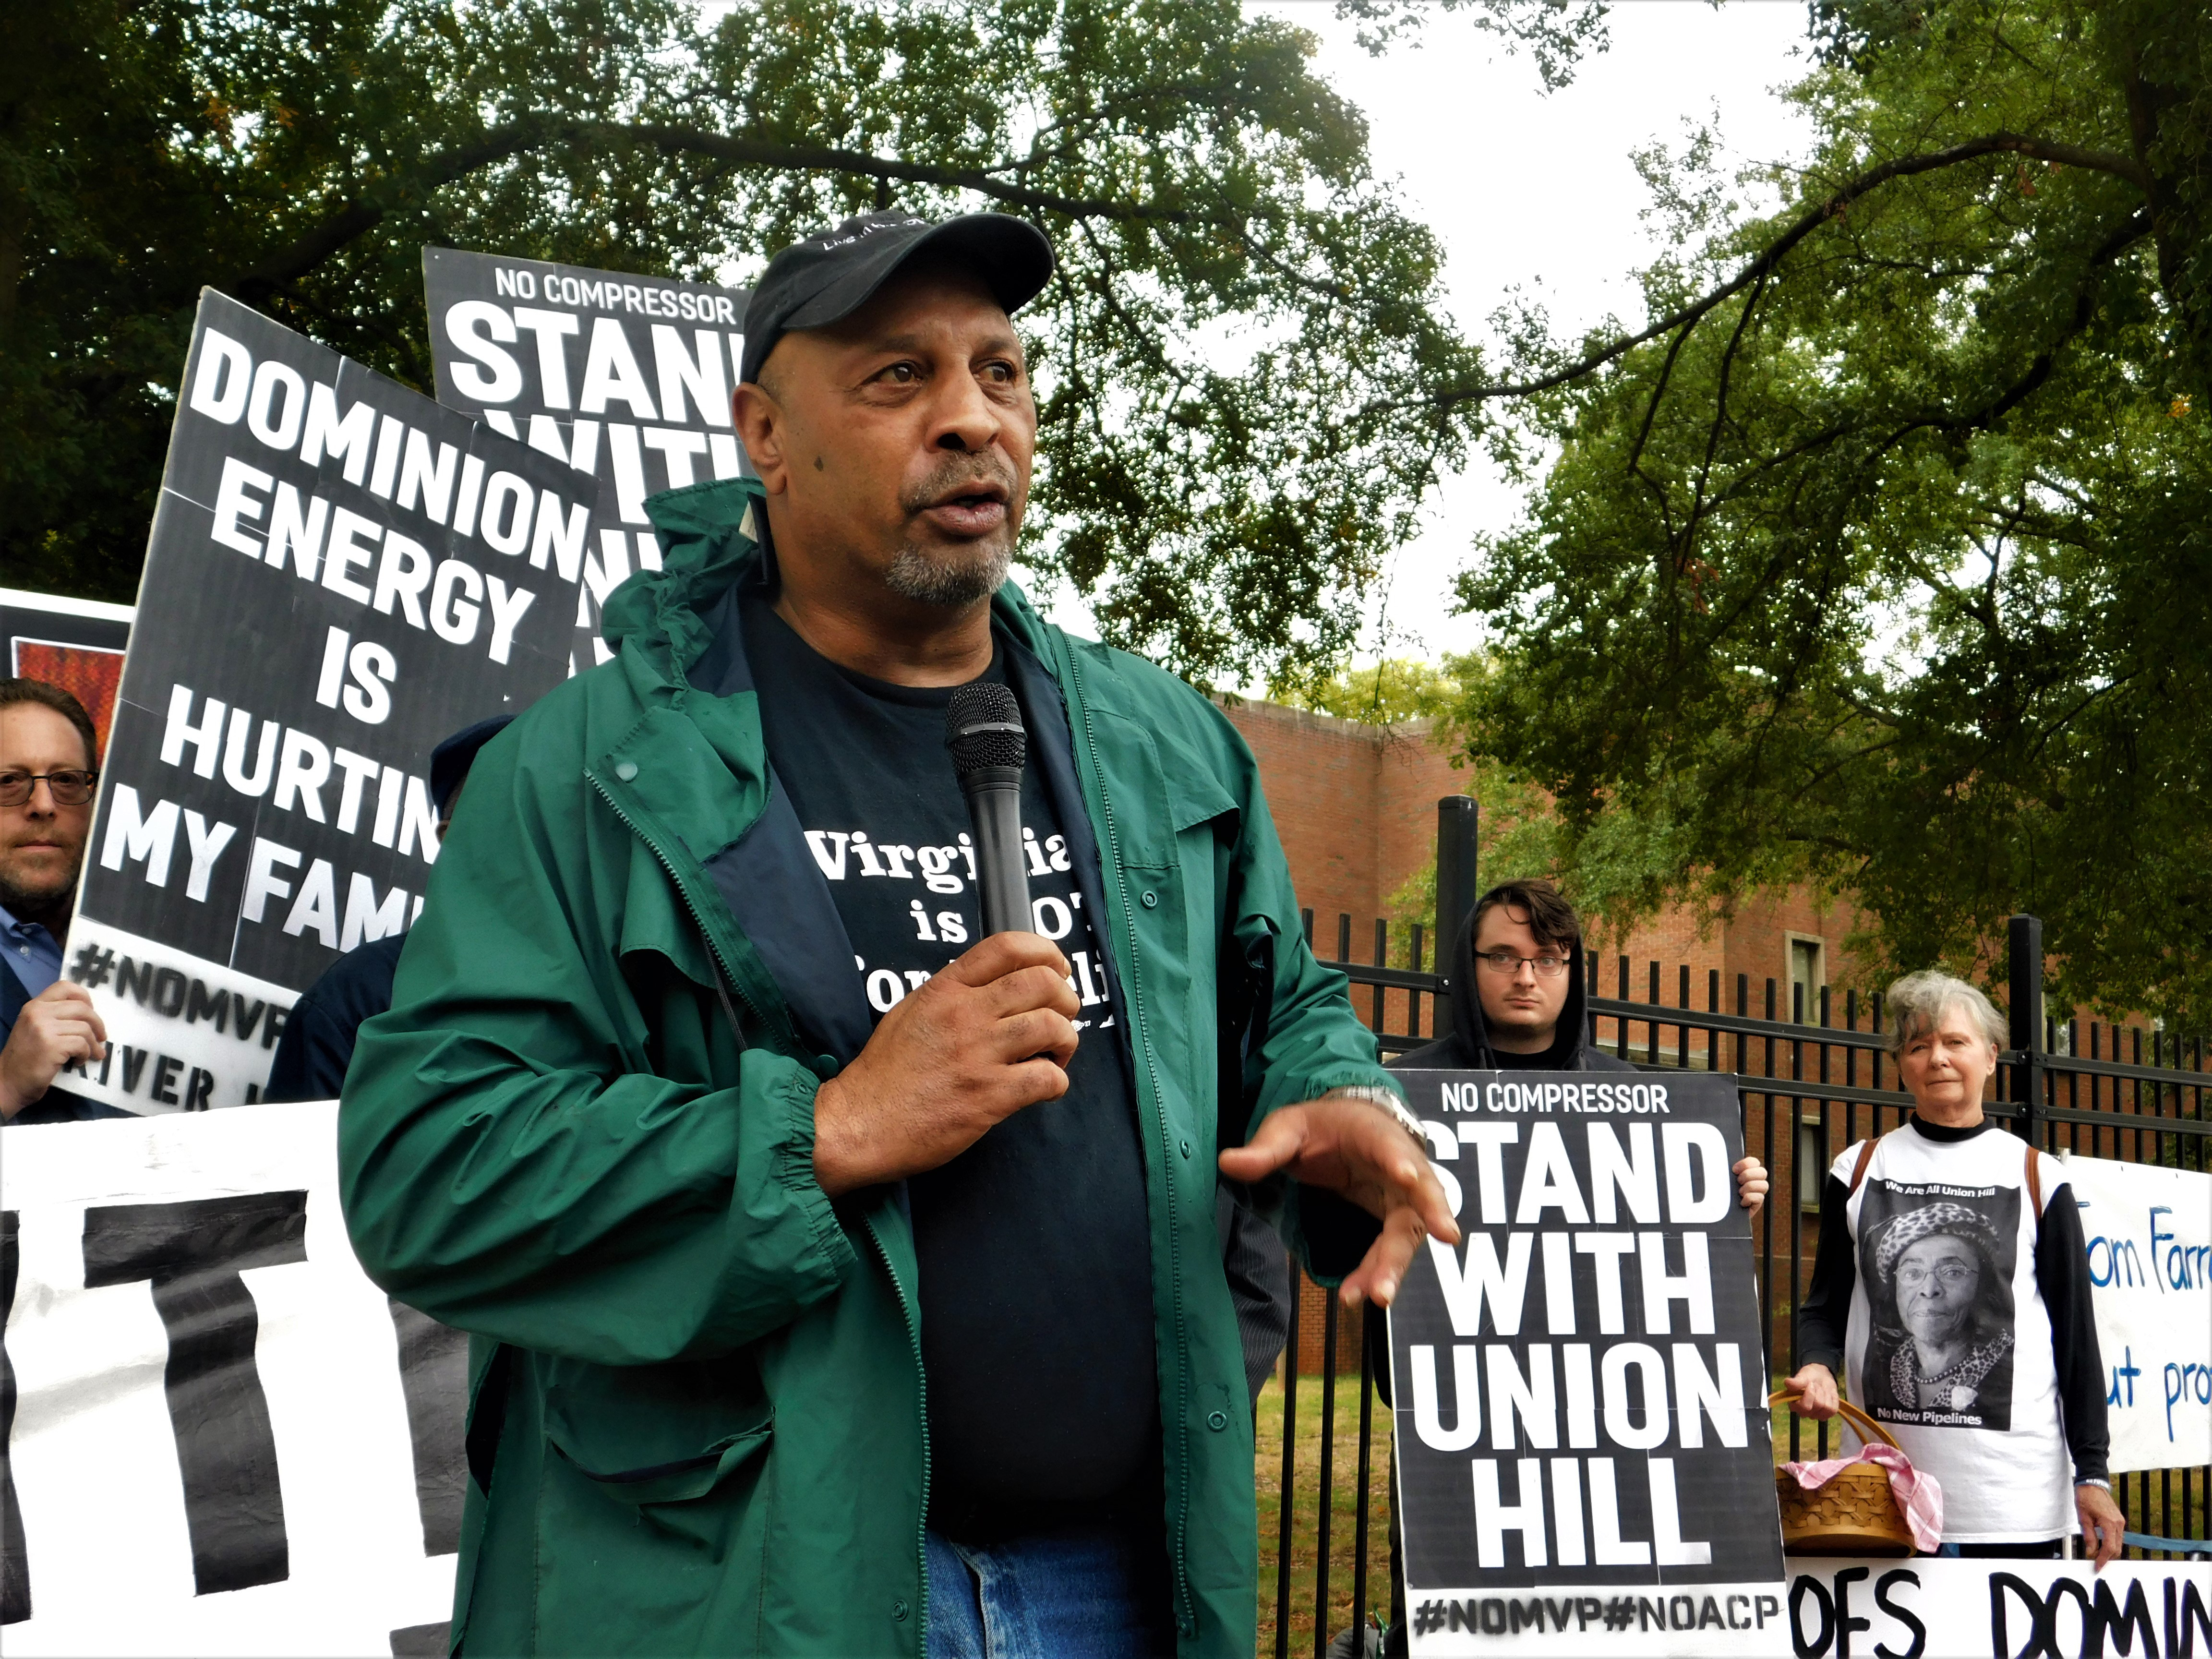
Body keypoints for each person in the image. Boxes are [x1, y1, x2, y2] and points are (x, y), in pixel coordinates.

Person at [338, 210, 1457, 1659]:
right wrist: (831, 1129)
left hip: (1123, 1584)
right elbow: (431, 1170)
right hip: (747, 1595)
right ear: (765, 431)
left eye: (1001, 371)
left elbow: (1283, 1001)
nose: (969, 419)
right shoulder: (586, 771)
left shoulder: (1161, 741)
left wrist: (1340, 1096)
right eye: (896, 377)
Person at [1786, 969, 2123, 1565]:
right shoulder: (1858, 1170)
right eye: (1918, 1046)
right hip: (1880, 1498)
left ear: (1991, 1056)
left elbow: (2077, 1340)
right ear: (1901, 1064)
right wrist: (1816, 1366)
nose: (1937, 1058)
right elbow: (1824, 1307)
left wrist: (2092, 1472)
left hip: (2011, 1507)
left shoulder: (2039, 1179)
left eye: (1954, 1042)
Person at [262, 715, 512, 1103]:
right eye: (521, 820)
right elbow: (298, 1162)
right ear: (455, 839)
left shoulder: (618, 1000)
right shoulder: (360, 1004)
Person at [0, 679, 121, 1125]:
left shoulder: (154, 936)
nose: (44, 804)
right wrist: (5, 1086)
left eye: (67, 780)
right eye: (9, 782)